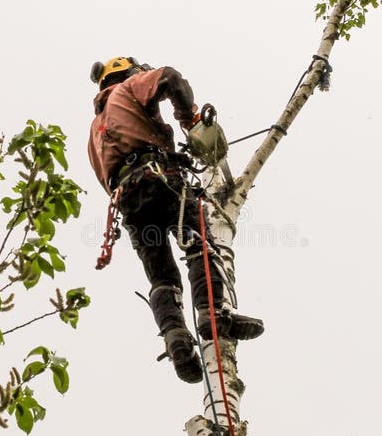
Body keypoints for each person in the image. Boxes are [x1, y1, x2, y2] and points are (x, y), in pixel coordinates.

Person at [87, 56, 264, 383]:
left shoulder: (94, 133)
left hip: (128, 202)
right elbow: (170, 78)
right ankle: (213, 315)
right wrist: (189, 120)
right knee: (201, 247)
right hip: (161, 182)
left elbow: (110, 175)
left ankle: (176, 338)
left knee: (162, 276)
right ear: (128, 72)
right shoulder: (131, 86)